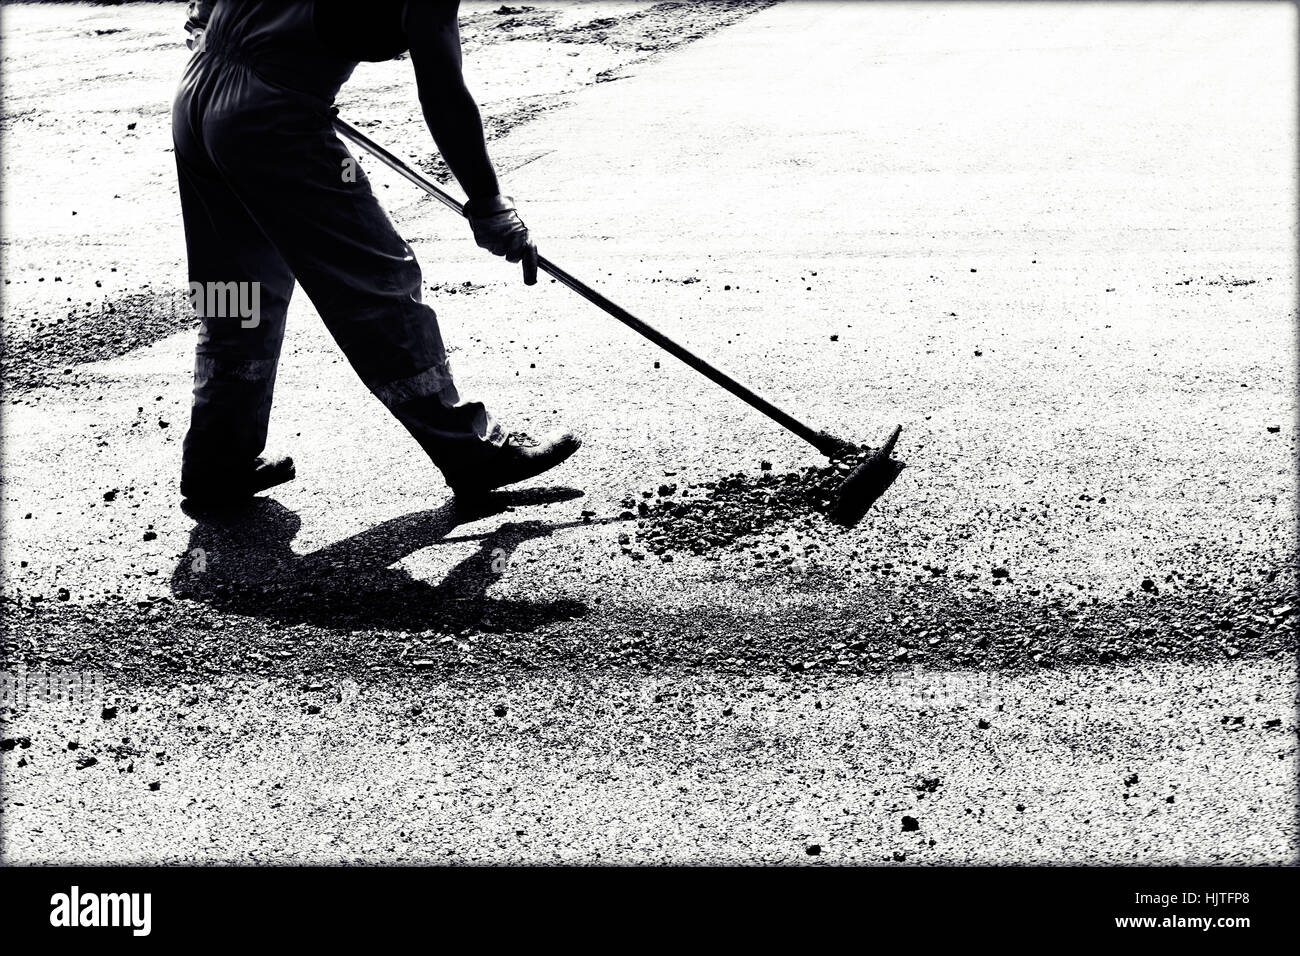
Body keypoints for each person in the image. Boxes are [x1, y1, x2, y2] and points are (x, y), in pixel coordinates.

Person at [172, 0, 580, 506]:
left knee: (234, 292)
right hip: (270, 120)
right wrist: (488, 202)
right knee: (377, 282)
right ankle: (470, 452)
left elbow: (203, 7)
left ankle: (216, 461)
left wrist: (224, 48)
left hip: (197, 95)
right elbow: (443, 88)